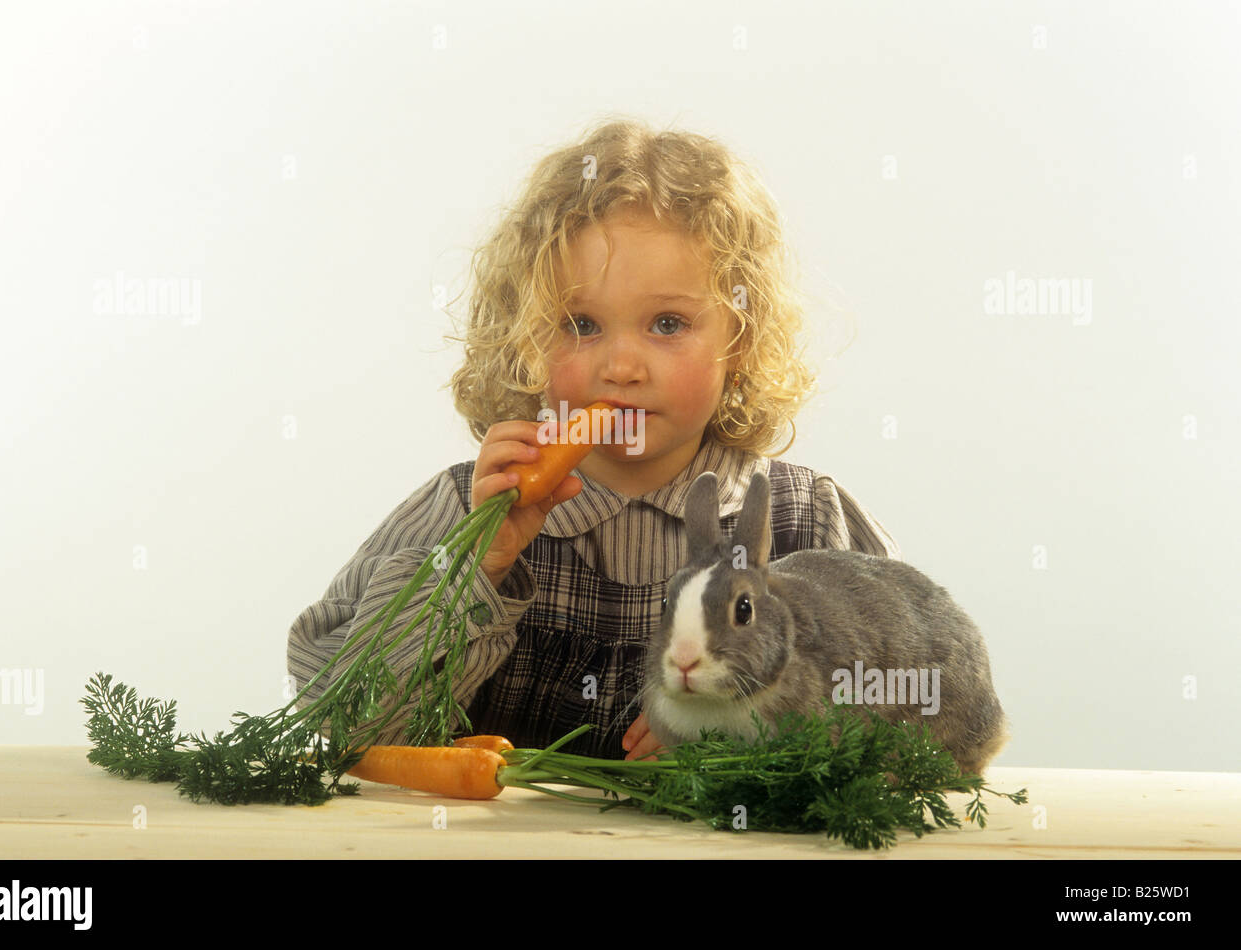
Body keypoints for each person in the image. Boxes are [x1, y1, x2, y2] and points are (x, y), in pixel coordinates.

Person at [286, 117, 900, 761]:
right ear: (525, 337)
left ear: (738, 342)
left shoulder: (808, 522)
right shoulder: (464, 511)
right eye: (580, 324)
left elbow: (916, 695)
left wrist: (745, 737)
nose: (622, 366)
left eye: (667, 323)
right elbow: (343, 720)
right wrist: (478, 570)